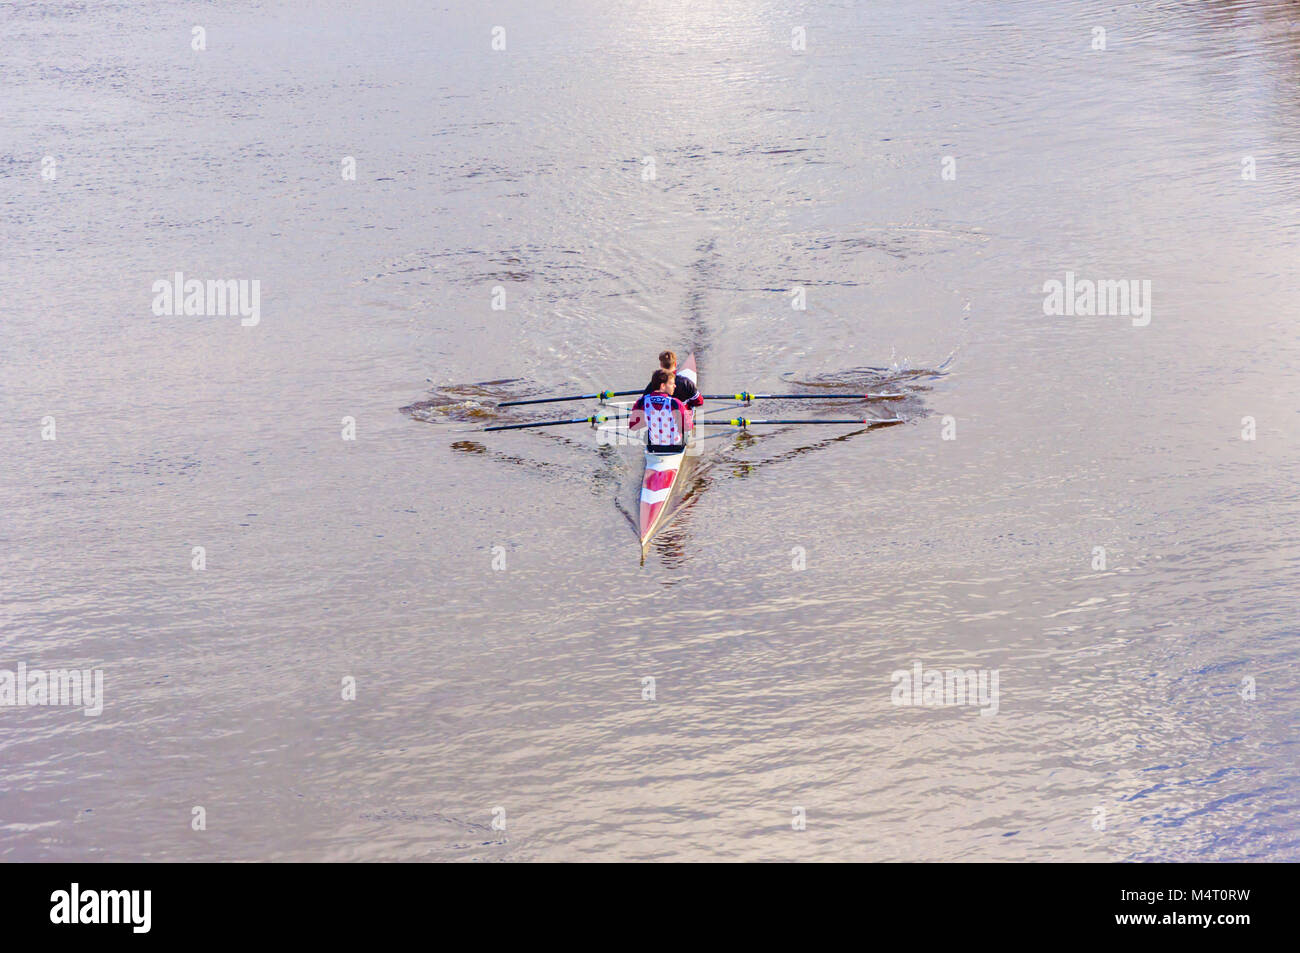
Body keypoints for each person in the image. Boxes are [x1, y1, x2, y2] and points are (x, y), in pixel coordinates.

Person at [627, 369, 694, 452]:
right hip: (675, 446)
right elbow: (688, 427)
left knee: (648, 431)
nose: (675, 386)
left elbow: (633, 426)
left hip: (654, 447)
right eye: (671, 383)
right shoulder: (675, 403)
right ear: (662, 386)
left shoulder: (642, 401)